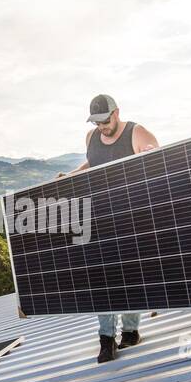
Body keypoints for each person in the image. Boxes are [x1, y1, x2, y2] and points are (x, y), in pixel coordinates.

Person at [64, 93, 160, 363]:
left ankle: (130, 331)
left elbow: (157, 157)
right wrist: (72, 176)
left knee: (131, 275)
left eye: (105, 121)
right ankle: (106, 340)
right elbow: (92, 165)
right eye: (96, 123)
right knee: (102, 279)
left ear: (116, 113)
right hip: (100, 217)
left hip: (132, 218)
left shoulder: (137, 133)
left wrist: (151, 154)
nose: (101, 127)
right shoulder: (91, 137)